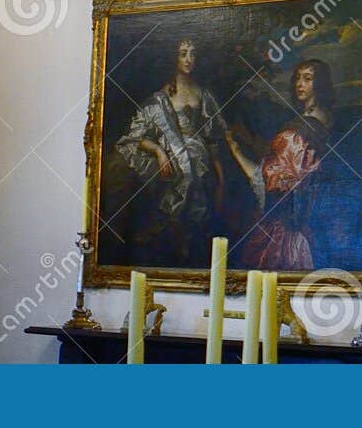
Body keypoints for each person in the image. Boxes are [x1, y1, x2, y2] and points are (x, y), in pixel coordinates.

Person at [115, 39, 226, 267]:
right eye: (183, 54)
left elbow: (213, 137)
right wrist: (159, 151)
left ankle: (188, 237)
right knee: (182, 169)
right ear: (173, 59)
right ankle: (172, 233)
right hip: (169, 152)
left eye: (192, 54)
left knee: (195, 165)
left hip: (198, 152)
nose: (188, 59)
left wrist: (221, 174)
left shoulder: (203, 94)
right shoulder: (161, 96)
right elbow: (136, 136)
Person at [225, 59, 335, 270]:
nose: (299, 84)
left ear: (319, 84)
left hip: (285, 230)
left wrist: (235, 150)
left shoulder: (300, 132)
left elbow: (270, 184)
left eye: (308, 79)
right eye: (298, 78)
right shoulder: (319, 119)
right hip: (302, 224)